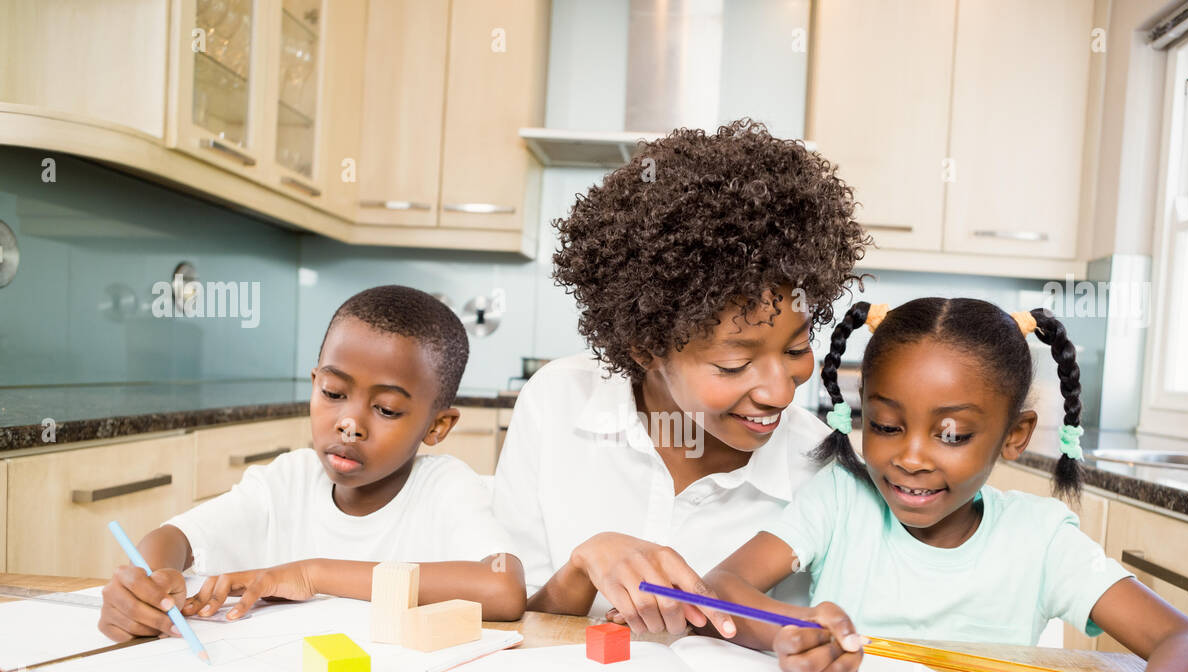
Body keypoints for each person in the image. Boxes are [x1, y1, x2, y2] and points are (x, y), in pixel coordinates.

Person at [703, 298, 1188, 672]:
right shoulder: (840, 499)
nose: (911, 457)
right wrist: (787, 631)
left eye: (952, 435)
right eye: (886, 426)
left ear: (1016, 435)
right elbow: (722, 584)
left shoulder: (1040, 538)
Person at [492, 119, 868, 635]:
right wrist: (585, 564)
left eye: (798, 348)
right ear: (646, 348)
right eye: (733, 366)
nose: (781, 392)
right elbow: (510, 625)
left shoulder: (823, 468)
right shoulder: (556, 403)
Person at [97, 285, 526, 642]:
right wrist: (150, 584)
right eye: (334, 393)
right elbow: (175, 537)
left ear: (438, 426)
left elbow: (503, 589)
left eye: (387, 410)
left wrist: (313, 573)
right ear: (315, 383)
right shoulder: (286, 481)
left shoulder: (445, 487)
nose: (349, 424)